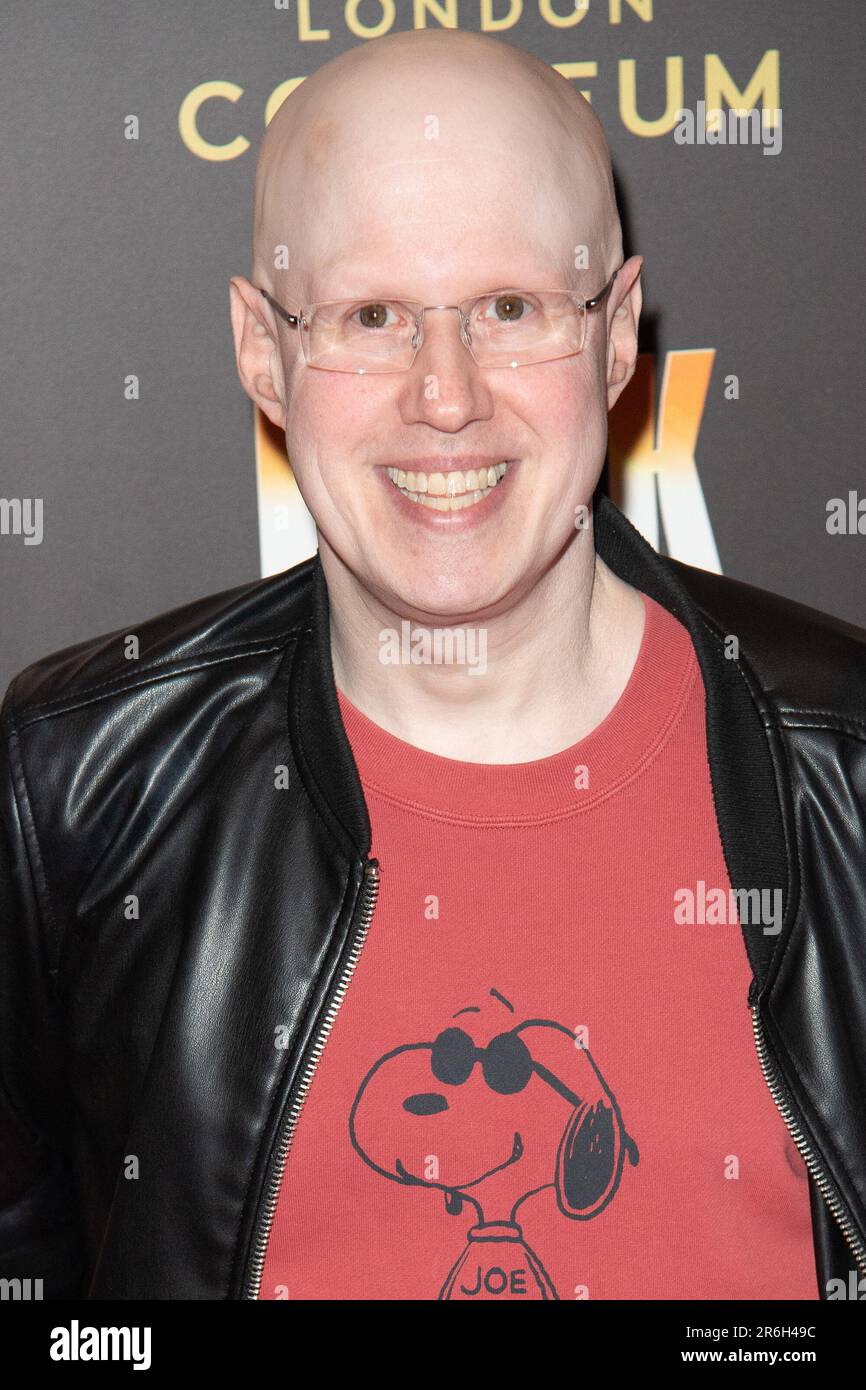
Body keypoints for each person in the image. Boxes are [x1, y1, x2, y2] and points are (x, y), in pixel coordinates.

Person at [1, 28, 864, 1302]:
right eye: (372, 316)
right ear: (261, 349)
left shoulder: (846, 767)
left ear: (615, 333)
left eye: (508, 308)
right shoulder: (74, 784)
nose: (443, 394)